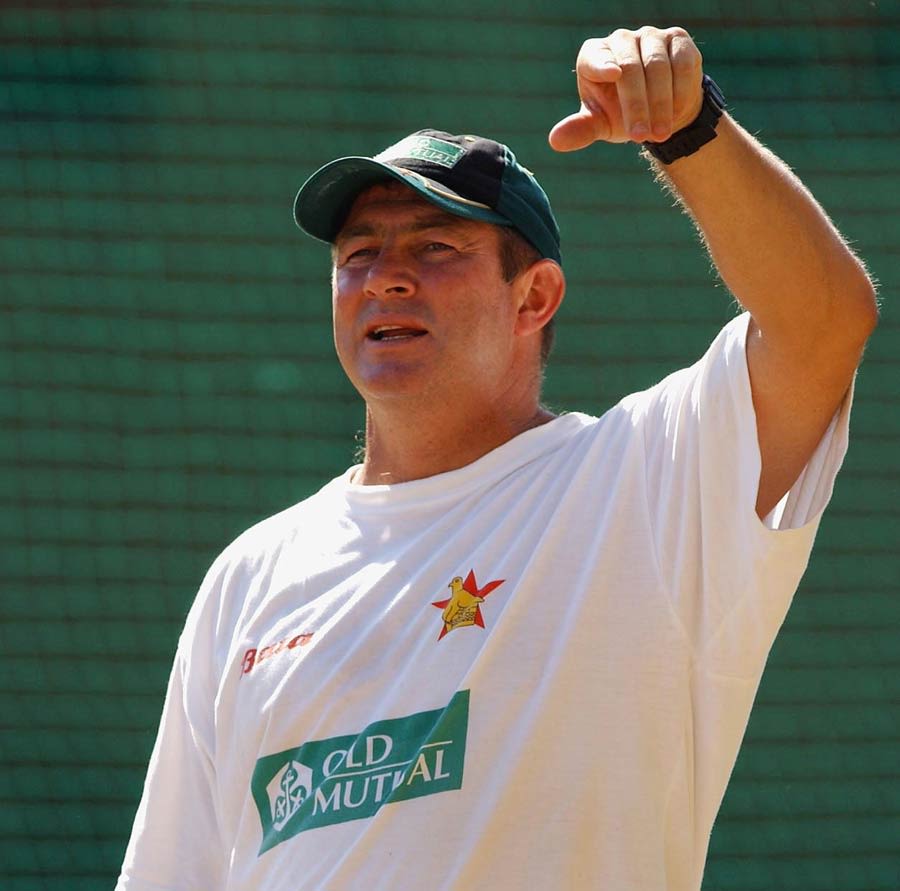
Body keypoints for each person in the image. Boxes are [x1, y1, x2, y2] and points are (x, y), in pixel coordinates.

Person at [116, 25, 877, 891]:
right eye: (358, 254)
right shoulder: (248, 578)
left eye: (435, 247)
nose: (386, 278)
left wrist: (689, 128)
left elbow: (824, 323)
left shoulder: (638, 483)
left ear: (536, 296)